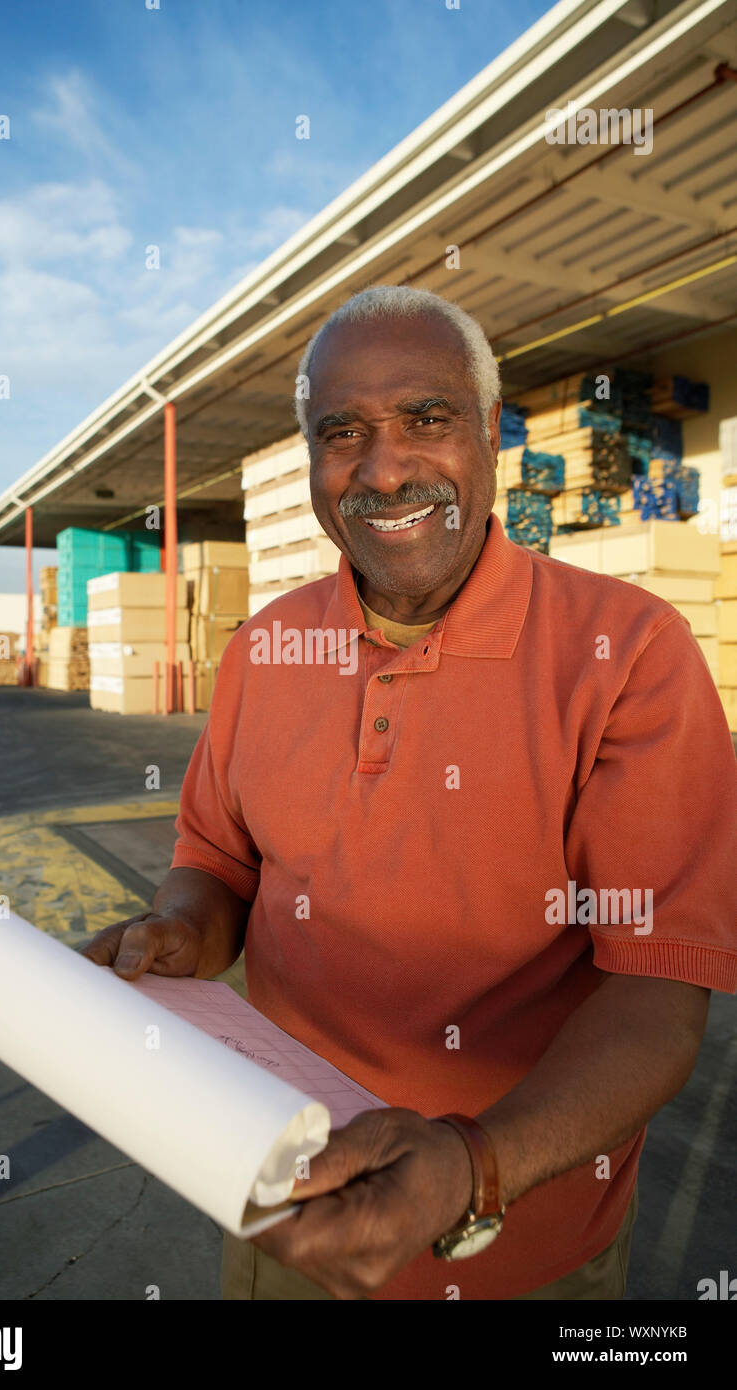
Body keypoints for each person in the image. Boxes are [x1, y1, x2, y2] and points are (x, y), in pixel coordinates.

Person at [82, 287, 737, 1300]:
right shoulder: (263, 650)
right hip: (285, 1216)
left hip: (516, 1244)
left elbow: (655, 991)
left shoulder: (628, 655)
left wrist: (474, 1166)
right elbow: (216, 865)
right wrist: (179, 929)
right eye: (340, 432)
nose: (382, 468)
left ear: (485, 435)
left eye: (424, 420)